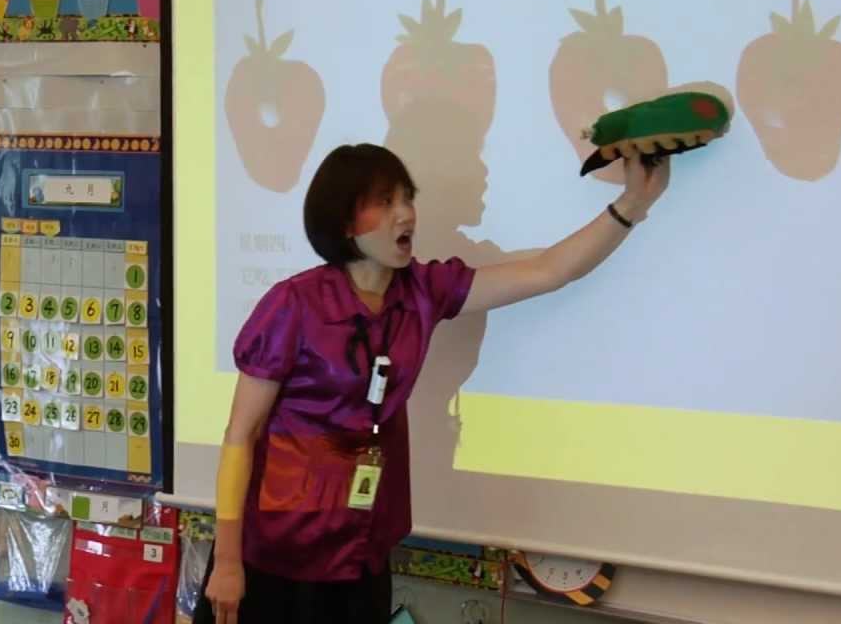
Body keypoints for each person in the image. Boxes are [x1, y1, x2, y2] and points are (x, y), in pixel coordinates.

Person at [195, 143, 669, 623]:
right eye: (384, 201)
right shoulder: (293, 304)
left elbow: (549, 270)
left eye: (407, 197)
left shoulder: (423, 291)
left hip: (360, 550)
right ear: (342, 221)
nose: (405, 214)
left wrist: (632, 205)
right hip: (275, 552)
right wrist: (230, 561)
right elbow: (242, 434)